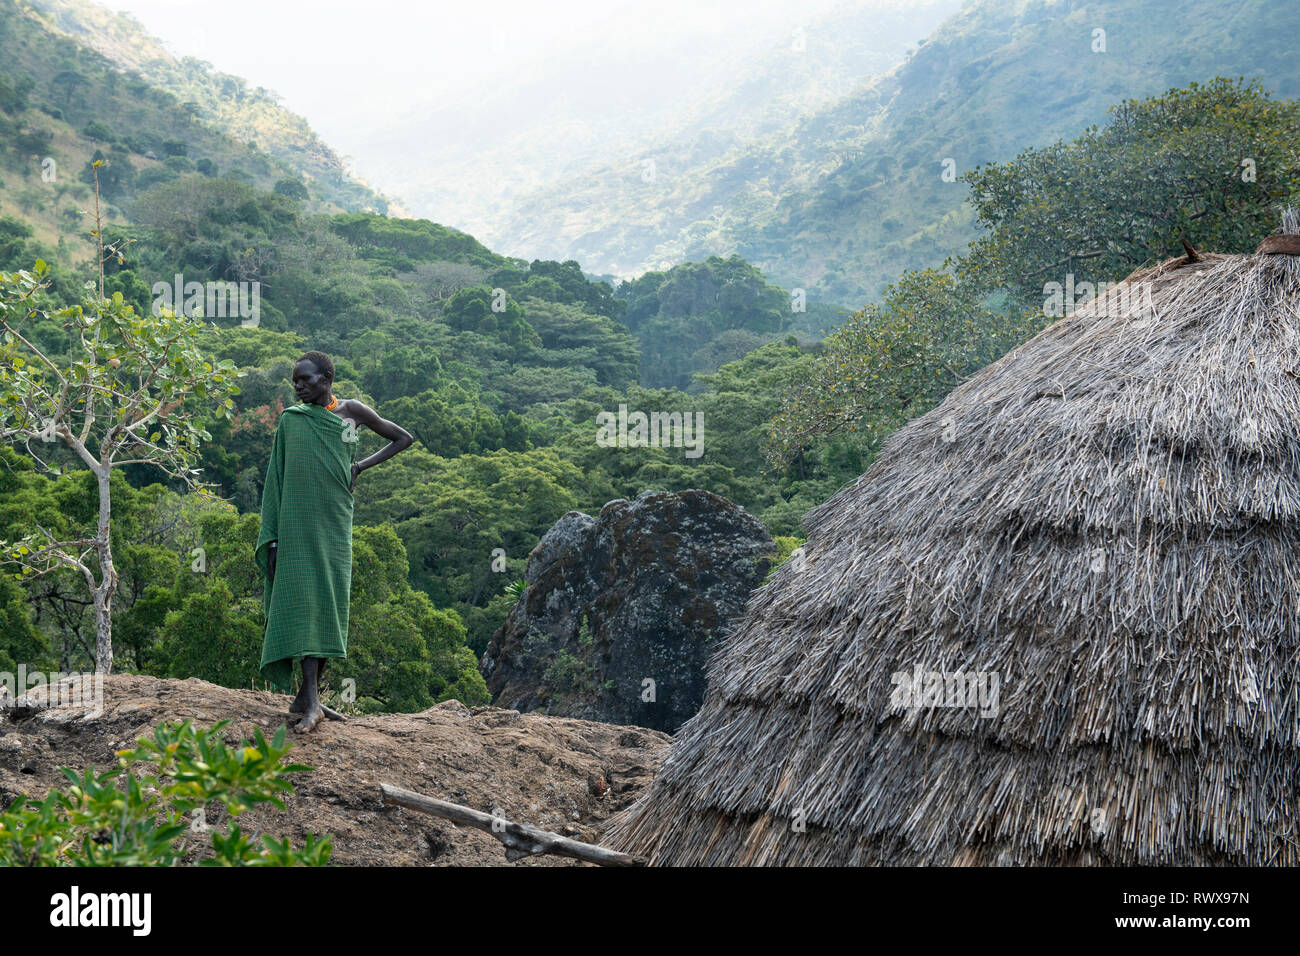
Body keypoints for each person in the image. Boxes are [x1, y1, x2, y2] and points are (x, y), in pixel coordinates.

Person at [254, 351, 413, 733]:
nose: (299, 386)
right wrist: (272, 538)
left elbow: (402, 438)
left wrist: (359, 466)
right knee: (304, 601)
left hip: (336, 519)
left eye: (306, 380)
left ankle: (309, 700)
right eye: (295, 381)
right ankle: (310, 702)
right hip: (296, 524)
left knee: (329, 602)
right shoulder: (291, 421)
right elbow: (276, 479)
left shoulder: (353, 412)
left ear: (327, 378)